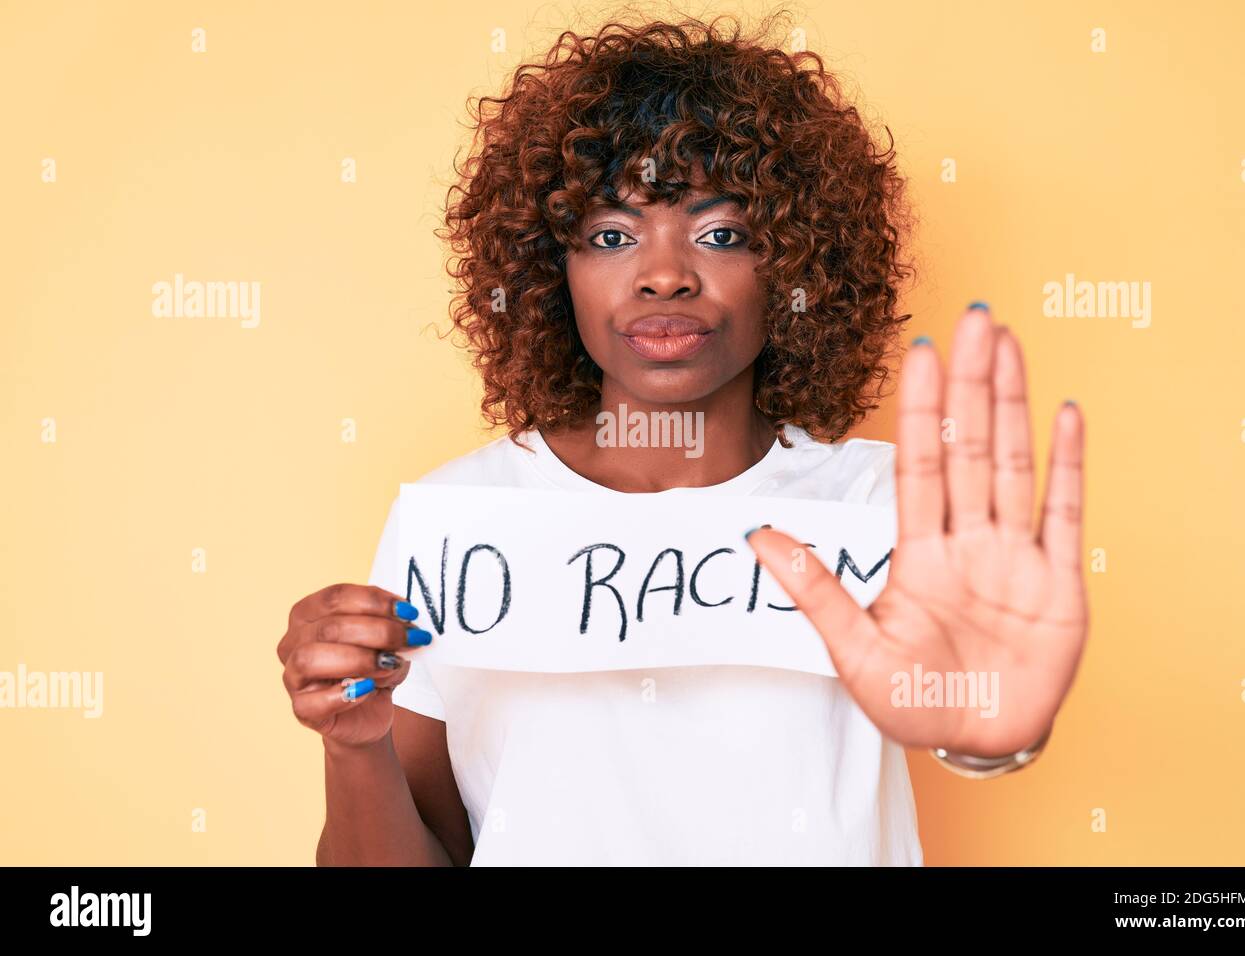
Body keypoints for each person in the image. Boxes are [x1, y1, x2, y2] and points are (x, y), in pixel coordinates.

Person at [276, 14, 1088, 866]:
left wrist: (991, 732)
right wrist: (351, 744)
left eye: (721, 234)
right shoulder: (459, 522)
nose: (665, 273)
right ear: (552, 271)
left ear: (798, 263)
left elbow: (967, 710)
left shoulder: (890, 507)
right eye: (612, 235)